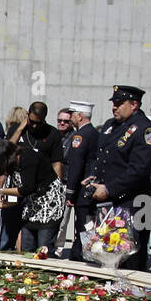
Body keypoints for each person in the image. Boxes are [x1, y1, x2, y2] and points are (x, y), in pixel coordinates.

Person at [83, 84, 151, 271]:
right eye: (114, 103)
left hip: (131, 203)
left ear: (134, 104)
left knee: (129, 258)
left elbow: (139, 170)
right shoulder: (111, 125)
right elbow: (102, 157)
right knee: (105, 253)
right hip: (107, 203)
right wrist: (92, 179)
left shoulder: (146, 130)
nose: (114, 107)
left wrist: (109, 188)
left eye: (119, 103)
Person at [12, 101, 66, 255]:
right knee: (27, 245)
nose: (34, 126)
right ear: (27, 116)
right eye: (32, 122)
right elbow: (6, 150)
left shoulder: (53, 134)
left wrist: (58, 188)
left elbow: (57, 163)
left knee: (43, 246)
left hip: (45, 195)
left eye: (38, 123)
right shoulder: (20, 131)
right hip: (25, 193)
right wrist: (21, 128)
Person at [63, 100, 98, 260]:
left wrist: (70, 192)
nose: (70, 118)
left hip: (82, 189)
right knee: (88, 225)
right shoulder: (95, 133)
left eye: (72, 114)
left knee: (83, 225)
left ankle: (82, 255)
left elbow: (76, 165)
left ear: (81, 115)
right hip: (90, 187)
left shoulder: (80, 136)